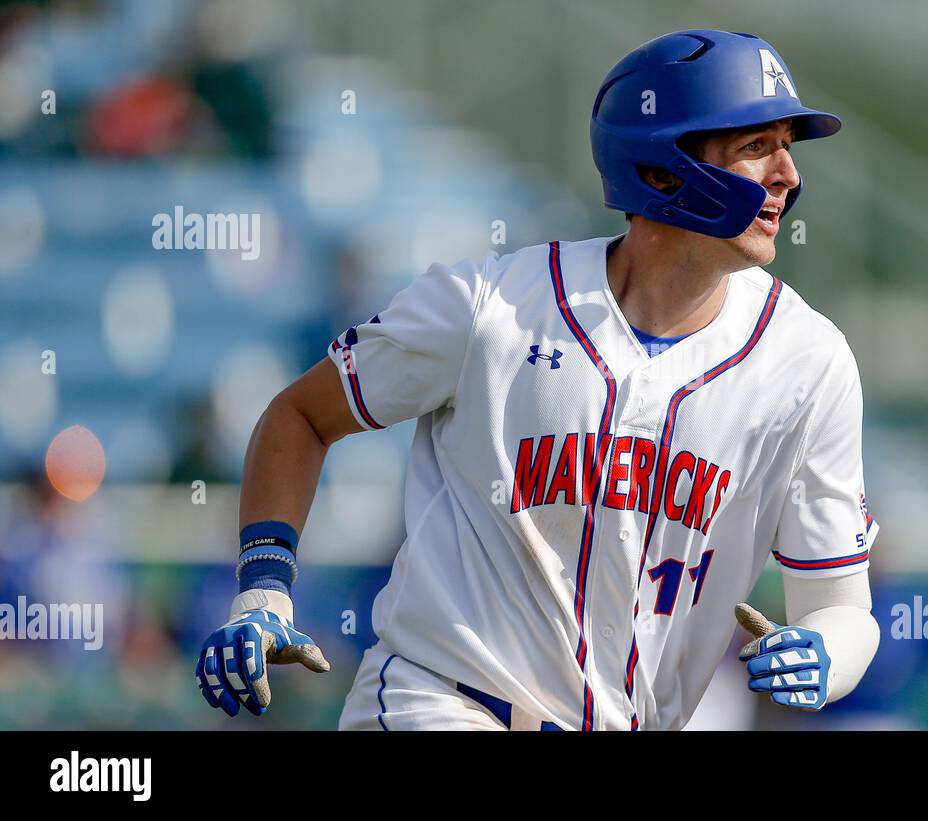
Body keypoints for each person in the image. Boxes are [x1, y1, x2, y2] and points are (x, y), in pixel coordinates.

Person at [196, 29, 881, 731]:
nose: (788, 174)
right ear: (665, 168)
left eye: (787, 144)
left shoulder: (808, 363)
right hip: (442, 701)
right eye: (756, 145)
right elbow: (300, 416)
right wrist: (264, 592)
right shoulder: (492, 306)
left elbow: (842, 604)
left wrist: (826, 649)